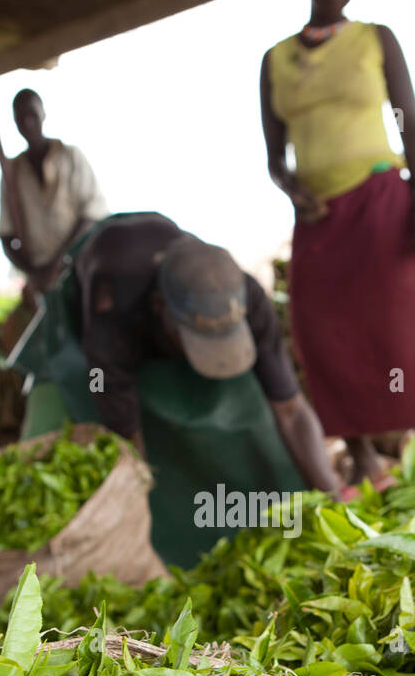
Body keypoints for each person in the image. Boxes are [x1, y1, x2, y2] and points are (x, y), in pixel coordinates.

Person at [260, 0, 415, 485]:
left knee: (410, 325)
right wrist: (295, 192)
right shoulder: (274, 60)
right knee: (326, 329)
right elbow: (275, 160)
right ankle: (364, 452)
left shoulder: (377, 39)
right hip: (320, 219)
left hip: (384, 203)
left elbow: (410, 123)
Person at [75, 212, 341, 499]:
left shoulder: (245, 295)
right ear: (158, 307)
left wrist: (331, 495)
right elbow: (125, 441)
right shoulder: (112, 315)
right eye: (199, 340)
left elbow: (290, 408)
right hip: (102, 276)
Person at [0, 88, 108, 352]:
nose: (27, 122)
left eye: (32, 114)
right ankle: (87, 388)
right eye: (20, 117)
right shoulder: (11, 174)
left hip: (82, 268)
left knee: (95, 345)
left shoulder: (71, 156)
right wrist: (34, 272)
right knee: (62, 350)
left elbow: (91, 215)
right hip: (44, 285)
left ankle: (99, 387)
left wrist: (59, 260)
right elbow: (5, 235)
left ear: (43, 114)